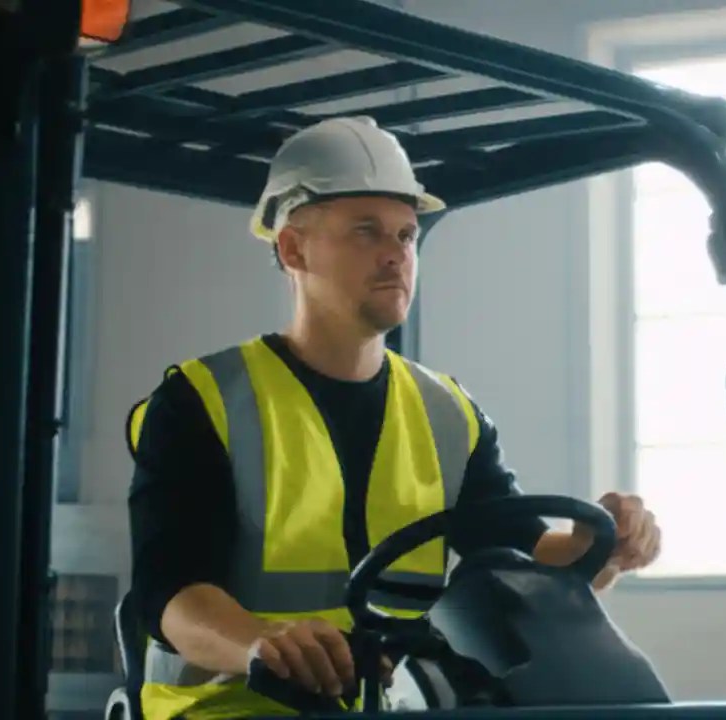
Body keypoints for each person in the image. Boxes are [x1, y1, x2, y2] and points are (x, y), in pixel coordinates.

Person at [125, 115, 662, 720]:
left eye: (406, 236)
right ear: (293, 247)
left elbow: (525, 564)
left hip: (399, 706)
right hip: (234, 706)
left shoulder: (448, 415)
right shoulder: (203, 401)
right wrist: (260, 640)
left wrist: (603, 548)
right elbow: (170, 593)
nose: (394, 255)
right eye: (365, 232)